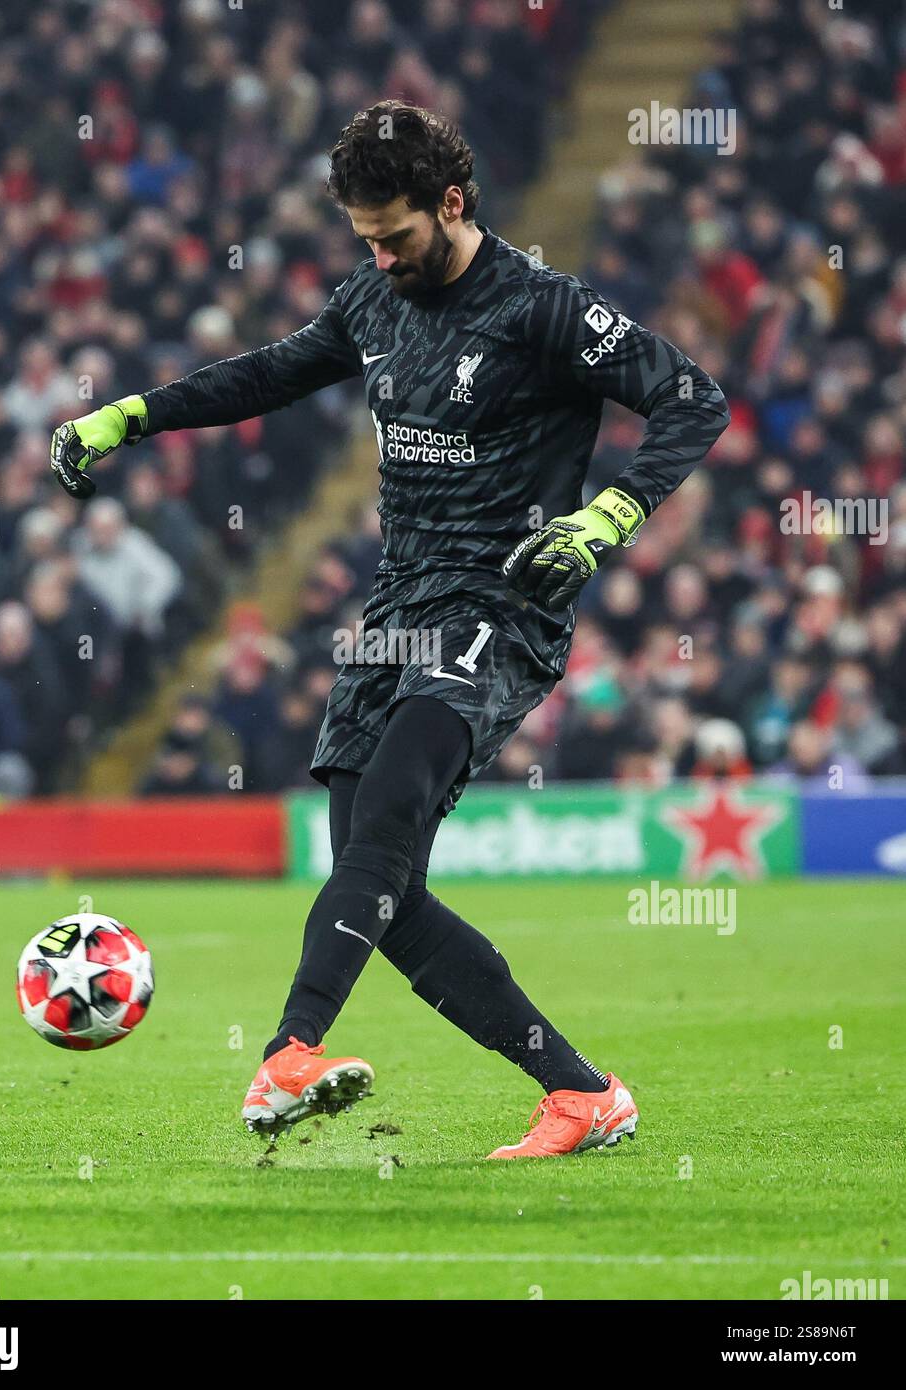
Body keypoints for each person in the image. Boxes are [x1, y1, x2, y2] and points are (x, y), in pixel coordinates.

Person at [51, 102, 729, 1159]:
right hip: (395, 613)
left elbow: (691, 398)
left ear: (451, 204)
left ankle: (289, 1049)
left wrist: (609, 514)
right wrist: (130, 415)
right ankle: (583, 1093)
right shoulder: (374, 296)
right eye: (364, 237)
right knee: (390, 896)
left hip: (500, 606)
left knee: (390, 819)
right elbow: (268, 373)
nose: (379, 255)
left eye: (396, 235)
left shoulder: (542, 308)